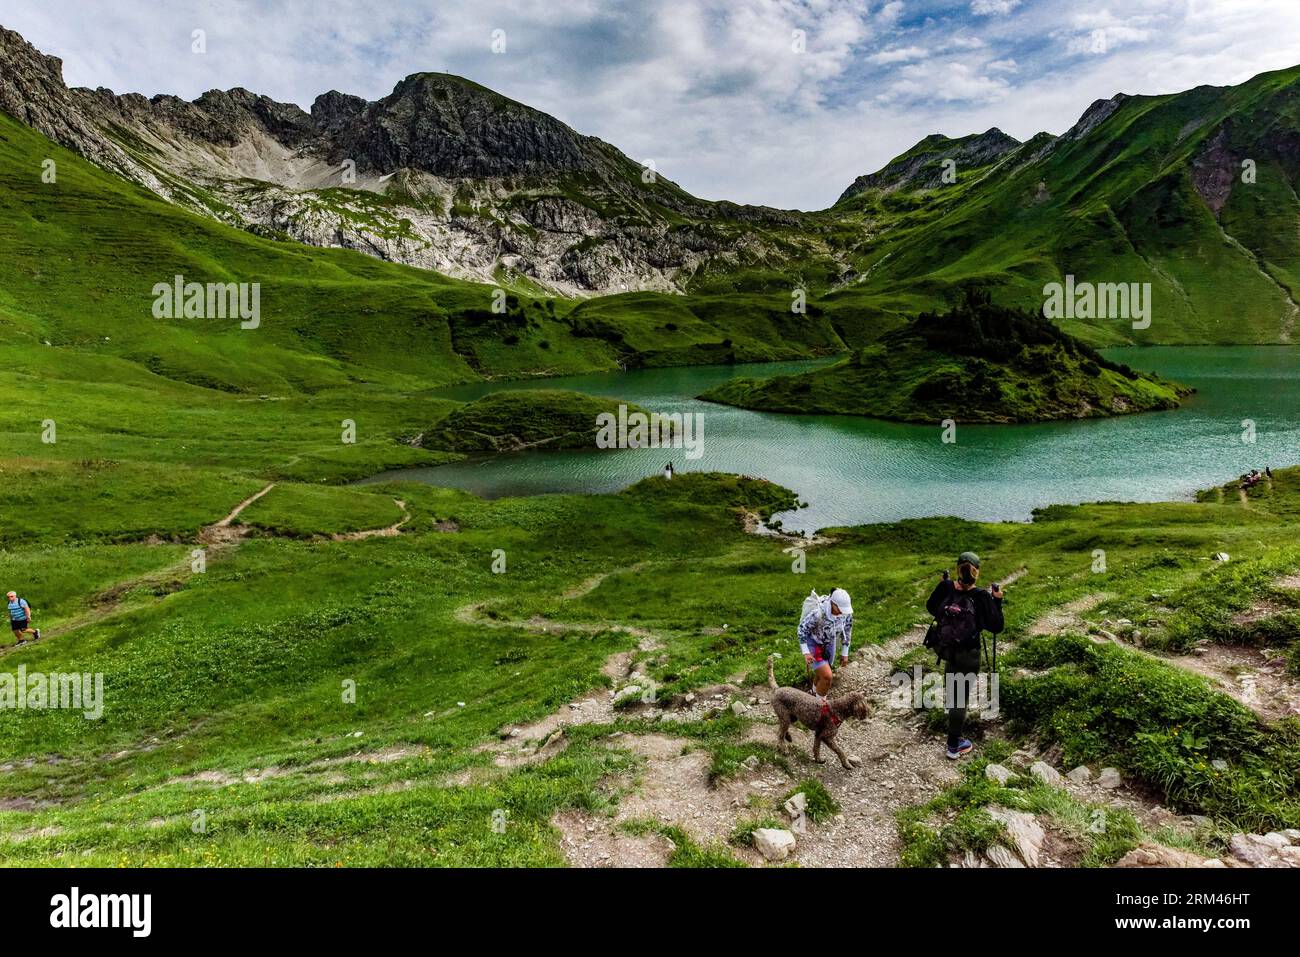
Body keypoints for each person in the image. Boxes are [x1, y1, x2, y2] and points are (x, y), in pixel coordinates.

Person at [926, 553, 1003, 760]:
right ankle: (954, 744)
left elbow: (931, 608)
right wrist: (997, 601)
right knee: (960, 697)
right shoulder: (981, 596)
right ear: (977, 572)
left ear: (958, 569)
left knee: (953, 693)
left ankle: (953, 723)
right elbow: (996, 626)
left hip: (947, 649)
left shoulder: (947, 587)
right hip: (969, 654)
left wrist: (942, 585)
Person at [797, 587, 853, 698]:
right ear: (832, 603)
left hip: (829, 643)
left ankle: (813, 692)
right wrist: (806, 652)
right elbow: (802, 629)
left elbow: (847, 630)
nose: (842, 612)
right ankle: (820, 707)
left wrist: (844, 652)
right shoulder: (818, 614)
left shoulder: (846, 613)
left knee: (822, 673)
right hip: (813, 642)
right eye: (840, 609)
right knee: (827, 676)